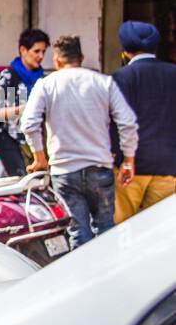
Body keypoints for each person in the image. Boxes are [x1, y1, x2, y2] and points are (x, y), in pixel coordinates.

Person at [21, 34, 138, 248]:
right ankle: (107, 277)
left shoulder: (46, 84)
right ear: (81, 58)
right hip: (99, 168)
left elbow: (28, 123)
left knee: (77, 232)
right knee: (105, 229)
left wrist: (39, 158)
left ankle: (83, 278)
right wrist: (128, 159)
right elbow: (128, 123)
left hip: (64, 172)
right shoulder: (104, 82)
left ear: (56, 60)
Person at [111, 20, 176, 222]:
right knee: (159, 231)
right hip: (169, 166)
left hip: (130, 167)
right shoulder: (173, 74)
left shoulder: (121, 78)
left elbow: (114, 122)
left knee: (120, 228)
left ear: (125, 49)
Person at [0, 28, 49, 178]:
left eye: (43, 52)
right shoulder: (7, 77)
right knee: (20, 184)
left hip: (37, 144)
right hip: (11, 140)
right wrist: (24, 109)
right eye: (36, 51)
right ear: (23, 50)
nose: (40, 56)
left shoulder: (43, 80)